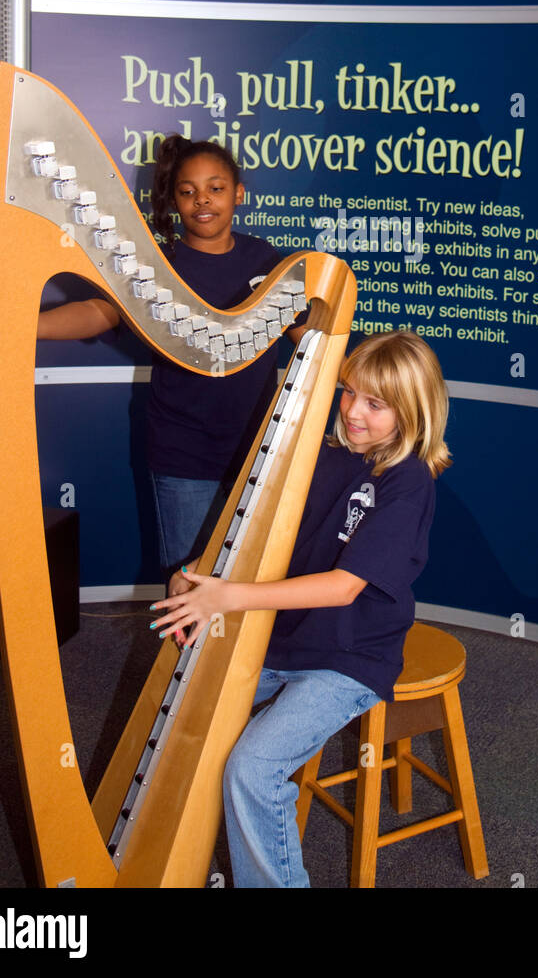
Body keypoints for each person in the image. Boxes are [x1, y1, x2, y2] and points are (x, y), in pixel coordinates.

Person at [150, 329, 451, 889]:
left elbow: (342, 588)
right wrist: (198, 572)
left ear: (412, 411)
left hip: (349, 657)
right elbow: (256, 533)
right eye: (348, 393)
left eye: (374, 403)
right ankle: (194, 860)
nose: (353, 411)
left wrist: (229, 597)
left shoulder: (408, 483)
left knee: (253, 769)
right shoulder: (322, 452)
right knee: (186, 723)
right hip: (281, 638)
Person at [0, 135, 304, 581]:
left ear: (239, 193)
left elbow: (305, 329)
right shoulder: (155, 265)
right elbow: (96, 312)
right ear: (173, 199)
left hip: (258, 449)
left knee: (252, 584)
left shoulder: (266, 259)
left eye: (216, 188)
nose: (202, 200)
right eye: (187, 191)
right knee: (187, 584)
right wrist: (16, 321)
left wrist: (359, 367)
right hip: (184, 454)